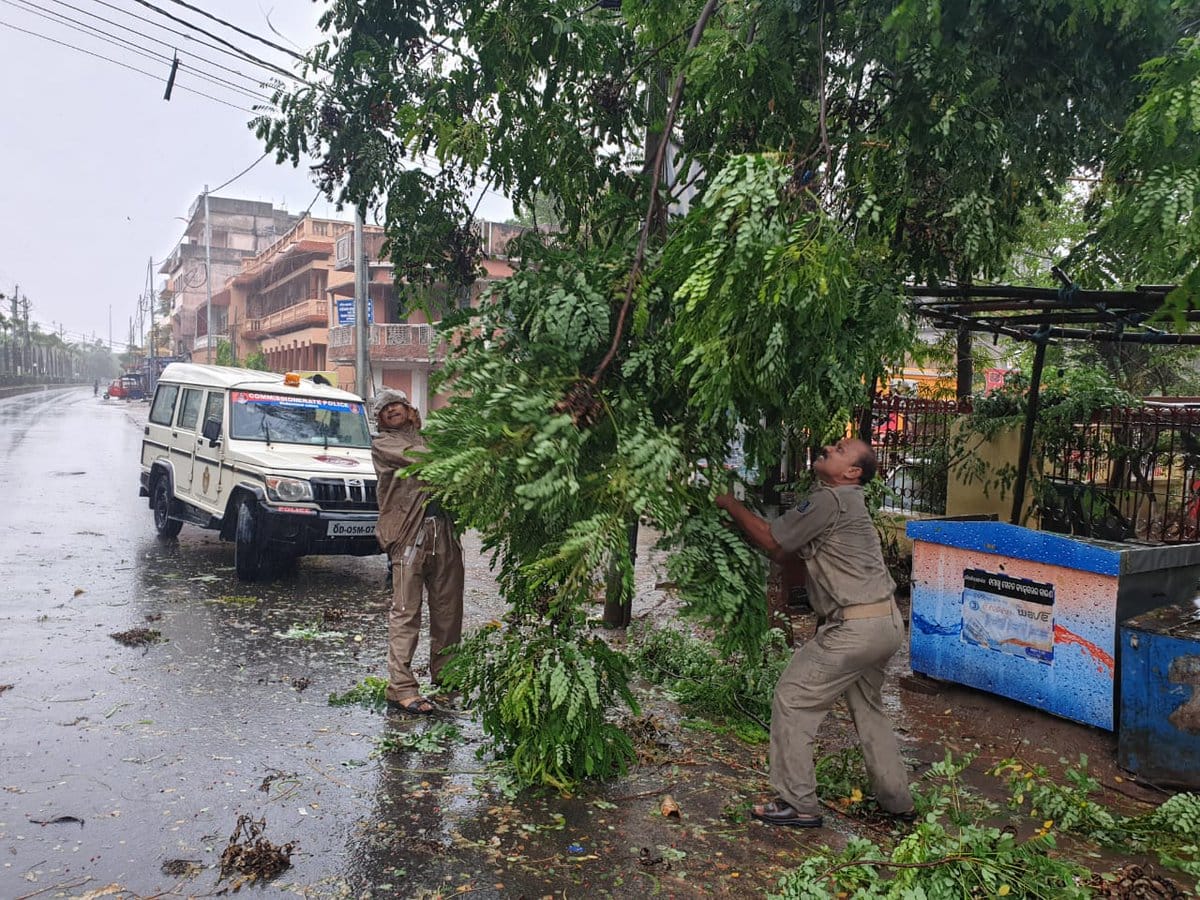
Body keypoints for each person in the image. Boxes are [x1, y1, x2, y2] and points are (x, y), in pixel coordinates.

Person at [716, 437, 915, 828]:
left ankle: (797, 802)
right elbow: (785, 546)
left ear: (852, 473)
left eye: (840, 450)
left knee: (793, 697)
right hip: (886, 624)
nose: (830, 448)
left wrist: (729, 503)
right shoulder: (849, 503)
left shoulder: (830, 500)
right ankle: (897, 802)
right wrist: (738, 518)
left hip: (856, 627)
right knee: (869, 710)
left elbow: (775, 543)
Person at [371, 389, 465, 715]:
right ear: (380, 420)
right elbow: (425, 461)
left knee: (449, 612)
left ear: (410, 409)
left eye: (396, 404)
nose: (391, 410)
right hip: (408, 538)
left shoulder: (431, 440)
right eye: (384, 409)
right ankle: (400, 687)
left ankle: (448, 676)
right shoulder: (386, 445)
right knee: (406, 613)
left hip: (443, 534)